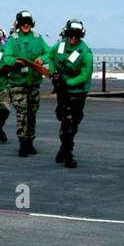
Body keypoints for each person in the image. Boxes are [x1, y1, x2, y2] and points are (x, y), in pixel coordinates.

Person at [43, 19, 94, 168]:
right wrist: (53, 74)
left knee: (73, 123)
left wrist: (68, 83)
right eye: (71, 35)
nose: (73, 39)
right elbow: (51, 58)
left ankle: (63, 149)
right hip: (62, 92)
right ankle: (68, 153)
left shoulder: (85, 52)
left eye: (76, 36)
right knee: (66, 122)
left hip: (77, 92)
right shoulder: (59, 46)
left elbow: (85, 74)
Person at [0, 10, 49, 156]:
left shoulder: (38, 38)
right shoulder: (13, 39)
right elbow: (6, 57)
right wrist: (16, 61)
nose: (26, 25)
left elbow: (48, 52)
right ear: (19, 25)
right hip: (17, 82)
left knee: (32, 112)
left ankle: (30, 140)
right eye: (23, 23)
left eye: (28, 23)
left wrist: (42, 59)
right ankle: (23, 142)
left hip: (33, 82)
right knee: (22, 112)